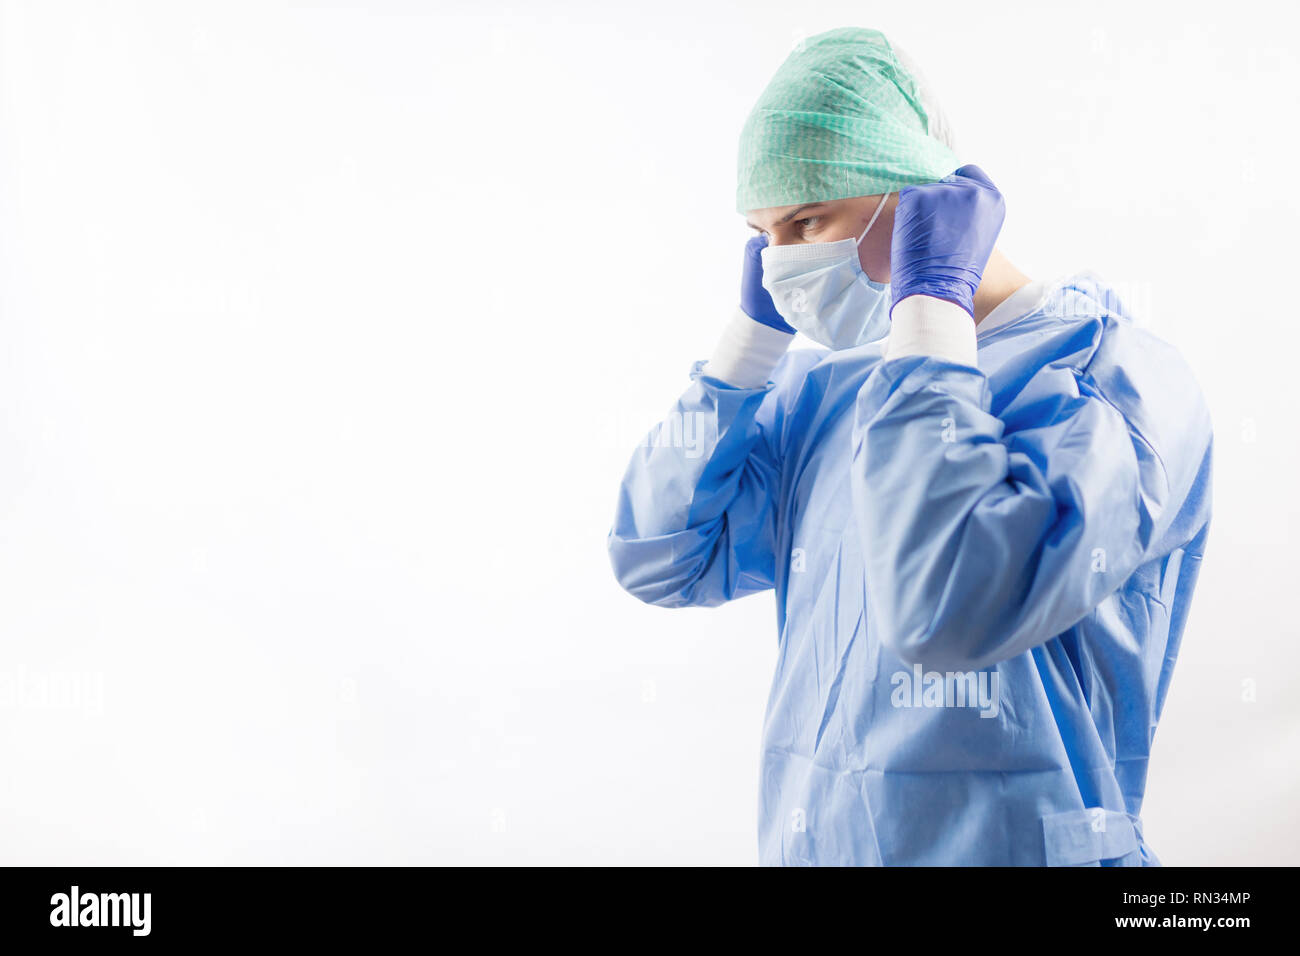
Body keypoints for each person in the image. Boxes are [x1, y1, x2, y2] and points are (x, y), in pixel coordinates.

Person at [607, 27, 1212, 866]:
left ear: (917, 193)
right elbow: (660, 558)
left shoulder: (1112, 382)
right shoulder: (831, 393)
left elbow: (947, 603)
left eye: (806, 221)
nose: (780, 264)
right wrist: (747, 349)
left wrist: (930, 311)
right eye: (761, 235)